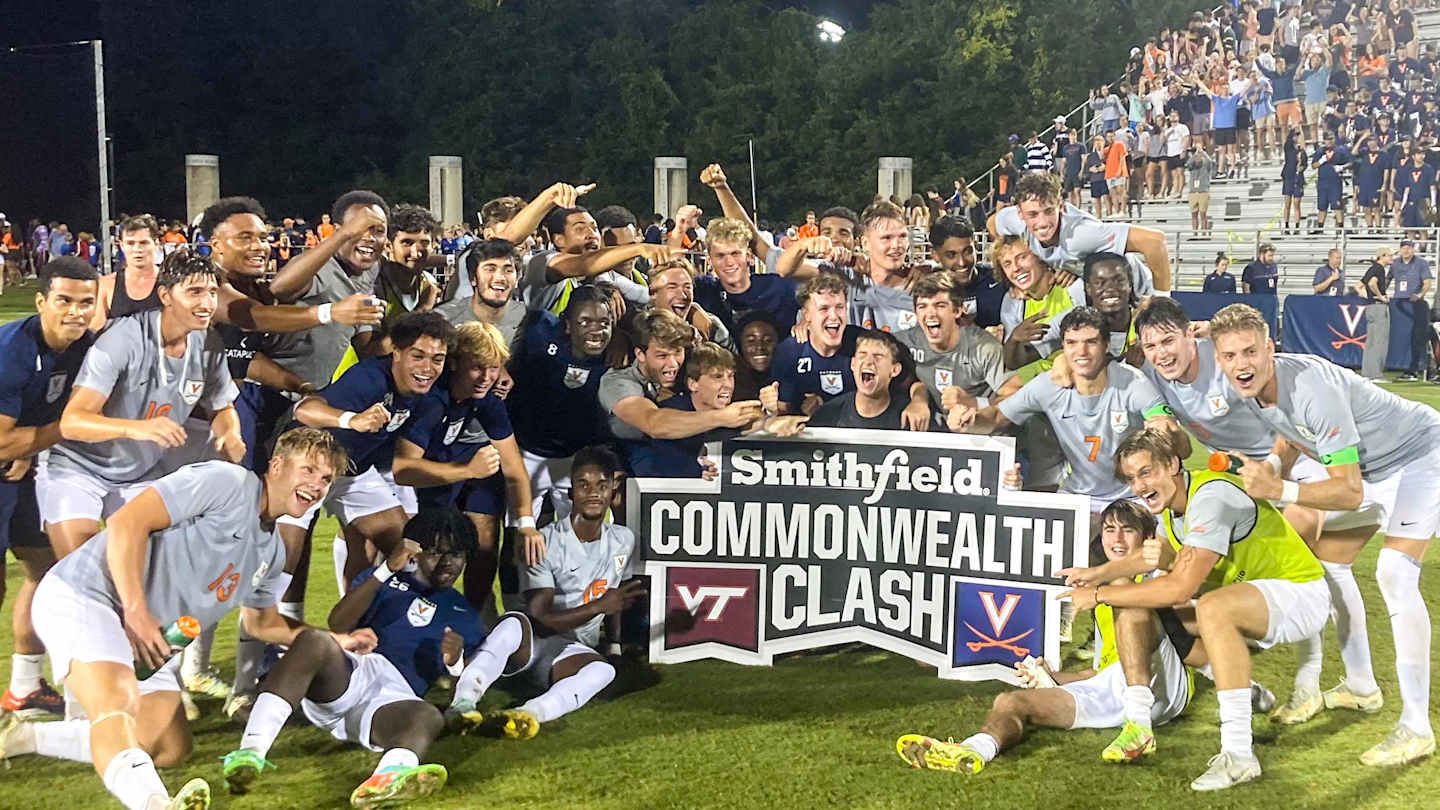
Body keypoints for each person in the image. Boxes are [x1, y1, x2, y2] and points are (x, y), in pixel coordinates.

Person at [11, 428, 374, 810]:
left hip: (148, 634)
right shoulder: (227, 482)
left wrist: (336, 640)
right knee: (116, 705)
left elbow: (262, 624)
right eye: (308, 470)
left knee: (167, 745)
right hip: (89, 595)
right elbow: (127, 522)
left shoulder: (271, 552)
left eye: (326, 479)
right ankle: (155, 804)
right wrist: (136, 611)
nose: (316, 485)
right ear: (277, 465)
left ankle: (19, 738)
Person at [1209, 303, 1440, 766]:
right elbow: (1291, 433)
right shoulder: (1251, 387)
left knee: (1395, 573)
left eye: (1250, 352)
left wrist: (1278, 488)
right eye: (1230, 356)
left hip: (1421, 454)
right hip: (1376, 469)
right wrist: (1273, 466)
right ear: (1219, 359)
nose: (1241, 364)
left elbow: (1349, 492)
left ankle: (1417, 726)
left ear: (1270, 348)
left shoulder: (1311, 386)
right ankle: (1361, 686)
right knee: (1330, 563)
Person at [1058, 428, 1327, 790]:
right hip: (1254, 599)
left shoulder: (1210, 497)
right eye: (1132, 478)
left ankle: (1239, 755)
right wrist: (1096, 574)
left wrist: (1098, 595)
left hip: (1299, 595)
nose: (1139, 486)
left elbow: (1181, 586)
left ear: (1172, 464)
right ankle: (1145, 721)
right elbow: (1150, 557)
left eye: (1146, 472)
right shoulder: (1173, 507)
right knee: (1154, 604)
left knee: (1207, 605)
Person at [220, 509, 511, 807]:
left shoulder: (466, 617)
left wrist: (454, 662)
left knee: (428, 716)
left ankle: (387, 778)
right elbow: (338, 623)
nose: (448, 563)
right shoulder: (383, 579)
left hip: (393, 700)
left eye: (457, 554)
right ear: (416, 550)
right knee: (313, 640)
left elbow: (459, 698)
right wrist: (385, 570)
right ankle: (250, 753)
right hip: (351, 674)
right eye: (437, 552)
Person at [895, 500, 1193, 776]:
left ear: (1147, 536)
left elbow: (1169, 576)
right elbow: (1103, 672)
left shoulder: (1159, 576)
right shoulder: (1101, 603)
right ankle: (973, 750)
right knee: (1011, 701)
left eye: (1128, 531)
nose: (1117, 539)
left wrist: (1101, 589)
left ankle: (1139, 724)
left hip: (1163, 686)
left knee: (1122, 587)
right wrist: (1051, 677)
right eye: (1109, 530)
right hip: (1119, 690)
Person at [43, 249, 242, 560]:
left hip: (139, 473)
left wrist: (229, 432)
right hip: (78, 469)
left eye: (212, 292)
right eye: (194, 292)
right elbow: (72, 422)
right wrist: (138, 429)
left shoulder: (208, 344)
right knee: (81, 568)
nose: (207, 304)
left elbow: (221, 406)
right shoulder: (123, 340)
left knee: (156, 570)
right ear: (165, 295)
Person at [446, 446, 640, 736]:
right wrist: (598, 607)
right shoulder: (543, 541)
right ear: (570, 492)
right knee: (512, 625)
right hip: (530, 643)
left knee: (603, 671)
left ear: (612, 490)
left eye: (602, 485)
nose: (593, 493)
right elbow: (542, 618)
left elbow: (617, 596)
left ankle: (527, 715)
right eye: (583, 485)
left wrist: (613, 645)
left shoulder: (624, 539)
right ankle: (463, 703)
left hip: (568, 652)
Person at [949, 307, 1188, 520]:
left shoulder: (1132, 382)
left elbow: (1170, 430)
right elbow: (995, 418)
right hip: (1078, 496)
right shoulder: (1048, 386)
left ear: (1106, 346)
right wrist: (970, 420)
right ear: (1062, 347)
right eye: (1072, 343)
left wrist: (1169, 429)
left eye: (1091, 342)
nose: (1081, 351)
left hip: (1133, 495)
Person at [284, 311, 454, 588]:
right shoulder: (370, 378)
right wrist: (351, 420)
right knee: (281, 568)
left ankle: (358, 614)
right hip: (306, 467)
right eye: (418, 356)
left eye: (437, 359)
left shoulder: (426, 392)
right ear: (396, 352)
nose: (427, 368)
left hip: (353, 471)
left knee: (411, 557)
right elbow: (305, 409)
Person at [0, 258, 98, 717]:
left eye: (85, 302)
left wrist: (32, 446)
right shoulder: (13, 352)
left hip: (18, 470)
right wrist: (65, 428)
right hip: (8, 458)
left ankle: (24, 688)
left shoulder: (86, 347)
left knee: (47, 573)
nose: (75, 312)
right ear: (41, 301)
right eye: (64, 300)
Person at [392, 322, 544, 611]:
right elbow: (402, 470)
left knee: (485, 540)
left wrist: (526, 524)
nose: (487, 378)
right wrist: (468, 471)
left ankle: (473, 614)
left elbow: (514, 467)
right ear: (454, 363)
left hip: (443, 467)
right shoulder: (432, 400)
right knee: (415, 549)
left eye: (494, 368)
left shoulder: (484, 400)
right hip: (390, 477)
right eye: (477, 368)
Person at [505, 283, 616, 523]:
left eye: (604, 323)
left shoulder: (617, 355)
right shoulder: (539, 329)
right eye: (585, 322)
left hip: (577, 458)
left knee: (585, 531)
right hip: (527, 453)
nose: (596, 331)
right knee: (520, 530)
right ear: (567, 324)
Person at [599, 308, 760, 470]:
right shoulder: (617, 382)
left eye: (677, 352)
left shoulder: (689, 366)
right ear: (640, 354)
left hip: (689, 445)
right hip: (627, 456)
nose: (673, 364)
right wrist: (722, 417)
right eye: (662, 356)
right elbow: (654, 424)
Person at [990, 172, 1168, 295]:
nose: (1042, 222)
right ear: (1020, 213)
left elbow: (1155, 241)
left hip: (1137, 289)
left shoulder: (1080, 234)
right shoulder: (1013, 220)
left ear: (1060, 206)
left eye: (1049, 211)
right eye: (1033, 214)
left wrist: (1161, 301)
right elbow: (991, 224)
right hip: (1100, 291)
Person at [808, 331, 940, 430]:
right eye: (862, 355)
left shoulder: (912, 419)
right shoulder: (829, 414)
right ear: (853, 364)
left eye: (878, 356)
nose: (868, 362)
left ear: (895, 370)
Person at [927, 217, 1005, 329]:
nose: (962, 262)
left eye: (968, 251)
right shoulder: (927, 289)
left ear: (975, 246)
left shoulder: (999, 280)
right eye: (951, 255)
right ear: (935, 255)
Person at [1388, 238, 1431, 380]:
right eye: (1404, 248)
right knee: (1400, 336)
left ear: (1413, 249)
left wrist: (1420, 295)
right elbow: (1387, 279)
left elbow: (1427, 282)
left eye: (1409, 248)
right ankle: (1397, 364)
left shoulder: (1421, 263)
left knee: (1416, 336)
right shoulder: (1395, 264)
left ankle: (1414, 368)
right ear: (1400, 249)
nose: (1406, 250)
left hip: (1415, 303)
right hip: (1399, 302)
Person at [1360, 248, 1393, 379]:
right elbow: (1372, 283)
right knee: (1379, 342)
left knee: (1370, 342)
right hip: (1379, 307)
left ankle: (1367, 373)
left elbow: (1358, 286)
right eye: (1389, 256)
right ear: (1382, 256)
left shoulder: (1371, 268)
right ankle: (1376, 374)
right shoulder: (1379, 269)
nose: (1391, 258)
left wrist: (1369, 297)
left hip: (1370, 307)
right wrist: (1380, 297)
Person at [1311, 137, 1350, 234]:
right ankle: (1320, 229)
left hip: (1335, 182)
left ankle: (1340, 228)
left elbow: (1350, 162)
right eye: (1327, 139)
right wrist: (1321, 161)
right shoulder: (1320, 151)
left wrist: (1342, 167)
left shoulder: (1340, 151)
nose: (1329, 141)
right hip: (1322, 182)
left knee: (1337, 206)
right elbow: (1313, 166)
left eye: (1331, 139)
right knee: (1322, 206)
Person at [1281, 127, 1308, 233]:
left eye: (1298, 135)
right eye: (1295, 135)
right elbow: (1287, 144)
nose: (1297, 137)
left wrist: (1302, 168)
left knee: (1297, 202)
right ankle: (1286, 225)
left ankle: (1297, 226)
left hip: (1298, 178)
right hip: (1288, 176)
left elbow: (1305, 164)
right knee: (1287, 202)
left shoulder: (1302, 151)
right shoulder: (1288, 147)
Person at [1186, 144, 1216, 234]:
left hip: (1203, 192)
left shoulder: (1205, 167)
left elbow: (1210, 162)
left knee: (1203, 214)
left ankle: (1204, 232)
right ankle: (1195, 233)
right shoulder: (1192, 167)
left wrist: (1203, 153)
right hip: (1193, 193)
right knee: (1193, 214)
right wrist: (1195, 155)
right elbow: (1188, 164)